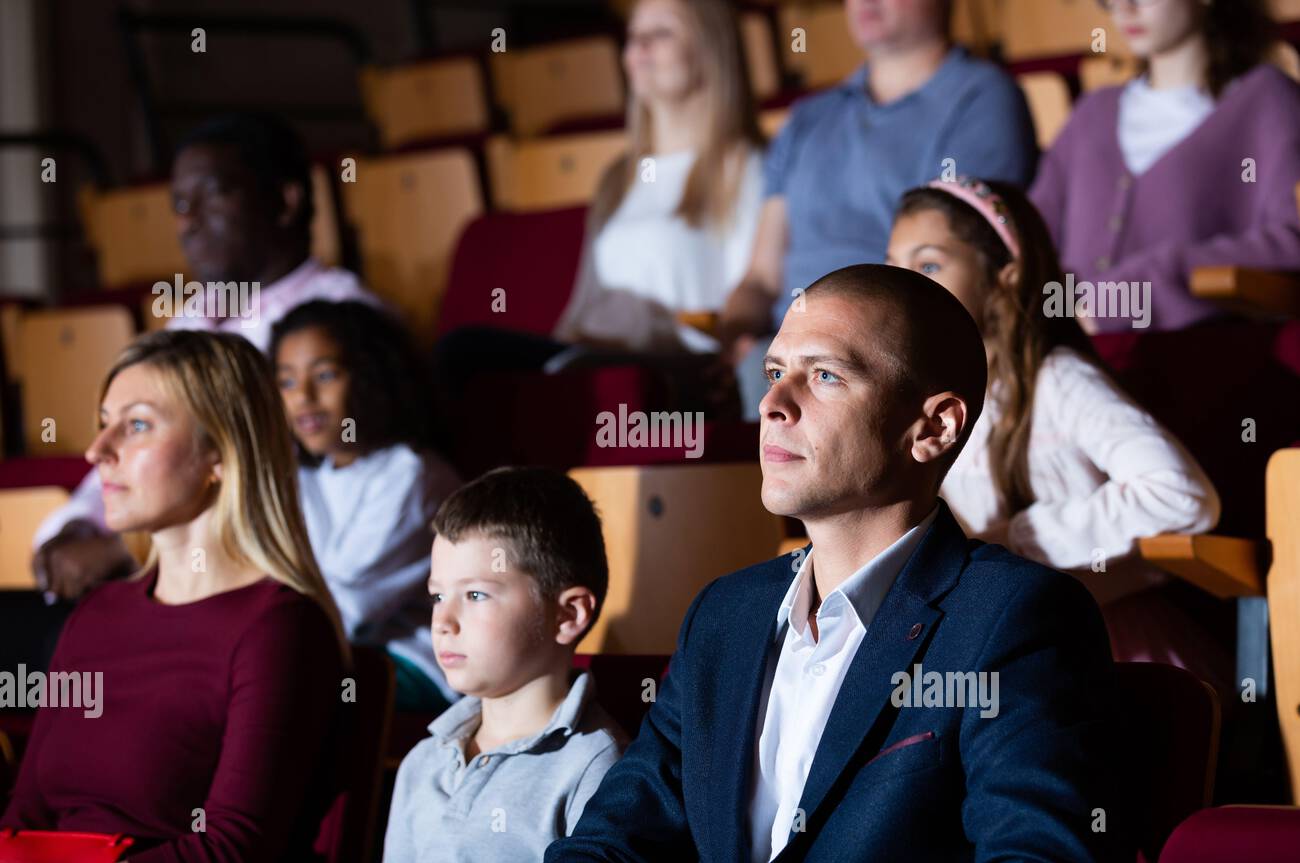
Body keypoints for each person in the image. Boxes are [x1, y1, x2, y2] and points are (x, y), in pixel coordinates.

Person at [544, 264, 1126, 863]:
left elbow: (1036, 861)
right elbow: (611, 845)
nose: (772, 403)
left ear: (933, 427)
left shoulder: (1014, 618)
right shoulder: (723, 613)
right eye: (774, 373)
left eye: (824, 375)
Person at [2, 331, 346, 863]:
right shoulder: (97, 613)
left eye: (136, 425)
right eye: (103, 422)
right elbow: (25, 817)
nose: (98, 450)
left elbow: (234, 851)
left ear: (219, 452)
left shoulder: (280, 627)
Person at [888, 176, 1232, 693]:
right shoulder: (923, 405)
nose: (906, 286)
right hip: (1002, 652)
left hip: (1107, 648)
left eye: (929, 265)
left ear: (1006, 276)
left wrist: (1017, 540)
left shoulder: (1059, 380)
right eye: (894, 268)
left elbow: (1182, 496)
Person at [30, 111, 382, 607]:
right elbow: (131, 432)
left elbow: (293, 486)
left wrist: (121, 547)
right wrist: (74, 527)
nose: (188, 220)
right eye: (179, 203)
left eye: (214, 195)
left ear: (284, 202)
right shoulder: (191, 319)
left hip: (271, 591)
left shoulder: (345, 318)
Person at [431, 0, 765, 417]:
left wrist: (663, 320)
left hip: (678, 361)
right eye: (632, 37)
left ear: (711, 50)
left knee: (465, 351)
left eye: (661, 34)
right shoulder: (617, 178)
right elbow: (581, 306)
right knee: (464, 357)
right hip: (597, 350)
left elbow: (748, 303)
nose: (639, 48)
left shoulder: (746, 166)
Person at [717, 0, 1038, 418]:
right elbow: (761, 277)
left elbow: (955, 276)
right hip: (778, 360)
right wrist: (733, 337)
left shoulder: (983, 99)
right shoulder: (806, 118)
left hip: (882, 367)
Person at [382, 467, 628, 863]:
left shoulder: (595, 768)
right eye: (437, 597)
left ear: (567, 615)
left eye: (475, 594)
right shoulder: (422, 761)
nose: (443, 622)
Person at [1031, 0, 1300, 332]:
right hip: (1072, 364)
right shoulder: (1091, 114)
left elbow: (1291, 241)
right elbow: (1028, 238)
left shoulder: (1268, 99)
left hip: (1199, 361)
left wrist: (1151, 281)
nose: (1123, 8)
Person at [271, 300, 462, 713]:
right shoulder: (303, 477)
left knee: (274, 689)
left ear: (371, 378)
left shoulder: (411, 475)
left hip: (411, 663)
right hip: (324, 649)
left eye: (324, 375)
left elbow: (350, 608)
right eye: (286, 382)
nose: (303, 397)